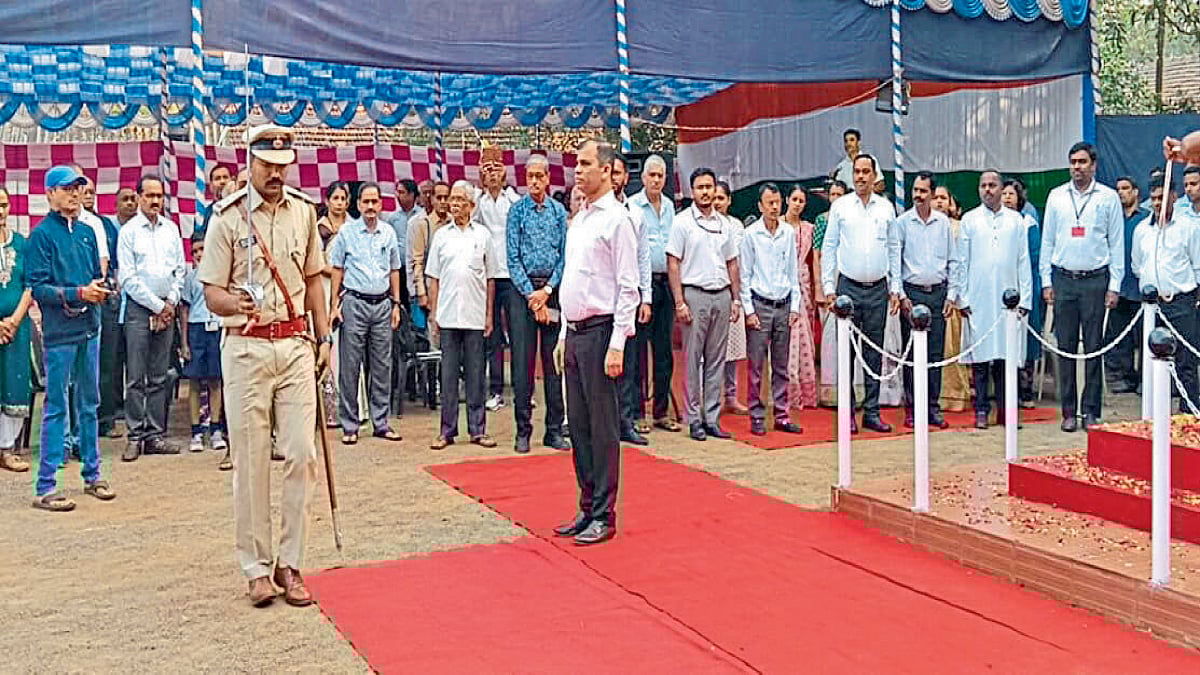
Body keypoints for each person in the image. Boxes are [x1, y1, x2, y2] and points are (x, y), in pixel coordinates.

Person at [199, 125, 331, 607]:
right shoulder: (227, 218)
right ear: (249, 163)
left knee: (302, 454)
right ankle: (255, 568)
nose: (276, 173)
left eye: (283, 165)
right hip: (246, 347)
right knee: (252, 461)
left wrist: (325, 336)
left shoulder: (304, 212)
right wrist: (232, 302)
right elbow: (210, 289)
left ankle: (290, 563)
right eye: (268, 165)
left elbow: (315, 278)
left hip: (295, 344)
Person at [550, 138, 639, 546]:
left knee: (603, 428)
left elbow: (627, 287)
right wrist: (564, 334)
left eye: (585, 163)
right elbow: (574, 280)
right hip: (575, 331)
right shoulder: (580, 218)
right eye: (576, 163)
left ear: (606, 169)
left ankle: (605, 511)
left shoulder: (617, 219)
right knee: (580, 426)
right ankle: (586, 507)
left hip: (603, 331)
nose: (577, 170)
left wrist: (618, 342)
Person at [28, 166, 116, 510]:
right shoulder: (41, 236)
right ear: (50, 193)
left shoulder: (87, 232)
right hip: (60, 334)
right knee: (56, 407)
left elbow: (96, 274)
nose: (74, 194)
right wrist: (80, 292)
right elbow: (38, 288)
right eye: (66, 188)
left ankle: (92, 475)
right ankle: (46, 486)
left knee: (90, 404)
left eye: (78, 188)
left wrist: (98, 289)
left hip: (89, 328)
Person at [1040, 142, 1124, 432]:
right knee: (1065, 347)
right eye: (1073, 162)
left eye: (1082, 162)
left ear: (1094, 165)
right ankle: (1067, 411)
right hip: (1063, 280)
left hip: (1095, 281)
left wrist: (1114, 285)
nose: (1077, 167)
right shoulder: (1057, 197)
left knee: (1093, 347)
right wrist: (1046, 281)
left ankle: (1090, 411)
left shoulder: (1108, 198)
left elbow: (1116, 244)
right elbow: (1047, 241)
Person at [821, 154, 900, 433]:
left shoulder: (886, 208)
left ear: (875, 175)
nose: (861, 176)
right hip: (848, 289)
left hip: (878, 289)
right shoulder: (841, 207)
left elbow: (894, 248)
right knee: (847, 353)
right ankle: (847, 413)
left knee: (873, 353)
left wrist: (896, 288)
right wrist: (829, 288)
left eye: (866, 171)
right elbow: (829, 247)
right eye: (857, 171)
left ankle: (872, 411)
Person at [667, 168, 742, 441]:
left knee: (716, 360)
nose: (706, 192)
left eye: (709, 187)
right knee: (692, 359)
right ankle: (693, 417)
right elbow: (673, 262)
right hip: (694, 295)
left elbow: (732, 263)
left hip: (721, 295)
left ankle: (712, 417)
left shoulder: (726, 224)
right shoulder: (682, 222)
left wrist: (736, 299)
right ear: (692, 191)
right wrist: (679, 301)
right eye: (700, 187)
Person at [955, 171, 1032, 429]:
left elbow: (1023, 261)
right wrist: (962, 297)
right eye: (983, 186)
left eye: (992, 185)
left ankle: (1006, 411)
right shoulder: (970, 220)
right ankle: (981, 411)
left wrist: (1025, 300)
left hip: (1009, 300)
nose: (988, 190)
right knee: (980, 357)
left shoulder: (1016, 220)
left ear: (1002, 189)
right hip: (978, 299)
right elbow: (961, 261)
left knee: (1005, 357)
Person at [328, 182, 404, 445]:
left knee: (383, 365)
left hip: (383, 304)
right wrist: (333, 306)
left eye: (375, 202)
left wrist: (396, 304)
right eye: (366, 202)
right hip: (354, 303)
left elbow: (395, 269)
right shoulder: (346, 233)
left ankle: (381, 423)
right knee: (350, 365)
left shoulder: (389, 233)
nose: (371, 207)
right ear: (358, 204)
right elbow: (336, 269)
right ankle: (350, 425)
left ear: (381, 204)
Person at [117, 175, 186, 461]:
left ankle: (155, 435)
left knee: (160, 375)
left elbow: (180, 270)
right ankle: (134, 436)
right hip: (138, 310)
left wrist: (170, 302)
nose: (155, 201)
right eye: (150, 196)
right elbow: (128, 278)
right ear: (140, 197)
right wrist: (158, 305)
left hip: (166, 310)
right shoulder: (129, 232)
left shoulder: (171, 230)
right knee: (135, 376)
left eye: (159, 196)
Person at [428, 181, 498, 450]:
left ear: (471, 205)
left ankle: (478, 430)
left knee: (476, 374)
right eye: (452, 199)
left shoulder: (483, 235)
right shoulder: (442, 236)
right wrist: (434, 314)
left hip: (475, 315)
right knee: (447, 377)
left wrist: (489, 315)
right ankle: (447, 431)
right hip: (448, 316)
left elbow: (491, 277)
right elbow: (433, 277)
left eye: (459, 199)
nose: (454, 203)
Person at [506, 155, 570, 454]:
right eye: (529, 176)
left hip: (552, 291)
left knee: (553, 362)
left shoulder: (559, 212)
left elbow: (564, 257)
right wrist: (533, 297)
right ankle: (523, 429)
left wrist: (547, 291)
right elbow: (512, 257)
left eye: (539, 176)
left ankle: (554, 429)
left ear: (547, 178)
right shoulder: (517, 212)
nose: (534, 181)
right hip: (523, 295)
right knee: (522, 363)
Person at [1131, 170, 1200, 409]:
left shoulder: (1188, 228)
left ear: (1173, 196)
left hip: (1181, 303)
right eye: (1154, 198)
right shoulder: (1142, 230)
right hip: (1151, 307)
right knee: (1151, 364)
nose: (1158, 203)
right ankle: (1152, 416)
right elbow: (1137, 266)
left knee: (1186, 363)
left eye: (1163, 197)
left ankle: (1189, 417)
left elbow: (1197, 266)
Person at [739, 184, 804, 436]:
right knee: (756, 364)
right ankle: (757, 414)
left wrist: (795, 305)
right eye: (769, 203)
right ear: (760, 206)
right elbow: (745, 275)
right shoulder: (751, 234)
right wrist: (748, 310)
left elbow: (792, 272)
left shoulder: (788, 232)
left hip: (783, 303)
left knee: (781, 364)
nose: (774, 207)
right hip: (760, 303)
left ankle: (782, 414)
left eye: (777, 202)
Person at [896, 171, 954, 429]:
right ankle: (912, 409)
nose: (918, 195)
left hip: (938, 294)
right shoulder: (903, 223)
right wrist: (901, 294)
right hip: (912, 294)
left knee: (934, 355)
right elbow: (894, 262)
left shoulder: (943, 223)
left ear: (932, 194)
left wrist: (952, 295)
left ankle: (932, 407)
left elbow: (955, 261)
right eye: (915, 190)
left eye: (923, 191)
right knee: (911, 356)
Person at [628, 154, 681, 432]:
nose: (657, 180)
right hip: (641, 286)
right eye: (652, 175)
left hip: (666, 283)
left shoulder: (671, 206)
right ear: (644, 177)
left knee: (664, 351)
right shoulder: (632, 206)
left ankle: (661, 412)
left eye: (661, 176)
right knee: (638, 353)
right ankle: (638, 412)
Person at [475, 147, 520, 412]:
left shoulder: (512, 200)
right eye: (487, 169)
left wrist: (504, 181)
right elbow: (473, 220)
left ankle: (521, 388)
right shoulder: (479, 202)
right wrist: (482, 187)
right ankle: (495, 390)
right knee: (491, 337)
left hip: (512, 275)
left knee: (517, 335)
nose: (492, 174)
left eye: (496, 168)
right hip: (489, 276)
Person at [612, 155, 653, 445]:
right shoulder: (592, 212)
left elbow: (643, 259)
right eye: (609, 172)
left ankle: (627, 422)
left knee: (629, 363)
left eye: (618, 173)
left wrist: (645, 298)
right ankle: (604, 425)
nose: (614, 178)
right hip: (600, 301)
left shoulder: (635, 213)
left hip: (628, 299)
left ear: (626, 177)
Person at [179, 235, 229, 467]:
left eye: (203, 250)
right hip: (198, 328)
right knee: (195, 381)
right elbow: (185, 311)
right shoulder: (191, 278)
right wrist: (185, 342)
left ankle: (216, 428)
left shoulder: (220, 274)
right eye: (196, 251)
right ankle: (196, 430)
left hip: (216, 326)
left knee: (216, 380)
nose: (200, 254)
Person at [1102, 176, 1148, 395]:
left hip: (1141, 287)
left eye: (1126, 188)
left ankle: (1144, 378)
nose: (1121, 193)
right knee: (1120, 336)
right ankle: (1124, 377)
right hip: (1119, 285)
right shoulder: (1113, 219)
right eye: (1118, 189)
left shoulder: (1147, 219)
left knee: (1144, 335)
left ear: (1136, 192)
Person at [408, 181, 452, 408]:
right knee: (432, 342)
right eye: (439, 197)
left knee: (450, 345)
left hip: (452, 293)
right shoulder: (422, 225)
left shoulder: (455, 224)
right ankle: (432, 391)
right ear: (431, 199)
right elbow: (417, 261)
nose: (443, 202)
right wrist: (421, 293)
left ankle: (448, 387)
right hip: (429, 293)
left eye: (447, 197)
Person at [1001, 179, 1045, 408]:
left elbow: (1034, 257)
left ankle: (1025, 390)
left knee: (1026, 341)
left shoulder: (1027, 222)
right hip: (1002, 287)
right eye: (1004, 193)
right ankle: (1005, 390)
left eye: (1011, 194)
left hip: (1026, 287)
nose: (1007, 197)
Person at [0, 187, 33, 473]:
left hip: (16, 327)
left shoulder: (21, 244)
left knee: (14, 381)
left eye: (4, 205)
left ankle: (7, 449)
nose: (0, 212)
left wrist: (13, 320)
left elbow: (29, 285)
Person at [932, 186, 971, 412]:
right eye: (935, 198)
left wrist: (957, 293)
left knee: (952, 347)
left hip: (954, 296)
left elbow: (962, 263)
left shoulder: (958, 228)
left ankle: (955, 395)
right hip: (931, 292)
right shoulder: (926, 227)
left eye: (943, 198)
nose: (938, 202)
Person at [317, 182, 350, 427]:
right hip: (326, 287)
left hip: (350, 290)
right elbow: (316, 262)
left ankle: (350, 408)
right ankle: (328, 410)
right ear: (327, 201)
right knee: (328, 344)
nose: (339, 202)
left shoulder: (354, 227)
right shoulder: (319, 229)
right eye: (335, 198)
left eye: (343, 198)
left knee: (348, 347)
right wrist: (336, 272)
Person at [714, 181, 749, 416]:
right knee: (710, 351)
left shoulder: (737, 226)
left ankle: (731, 396)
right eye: (714, 197)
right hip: (711, 291)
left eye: (721, 198)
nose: (717, 202)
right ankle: (710, 398)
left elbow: (742, 262)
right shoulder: (702, 223)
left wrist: (740, 297)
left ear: (729, 200)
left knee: (732, 351)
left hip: (733, 292)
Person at [782, 185, 818, 412]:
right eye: (794, 199)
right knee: (787, 340)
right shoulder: (779, 226)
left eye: (801, 201)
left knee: (805, 339)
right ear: (786, 200)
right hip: (783, 285)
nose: (797, 204)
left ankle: (806, 395)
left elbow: (814, 261)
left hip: (803, 284)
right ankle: (788, 393)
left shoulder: (809, 229)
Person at [814, 180, 847, 407]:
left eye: (839, 194)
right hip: (828, 277)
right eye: (832, 194)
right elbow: (817, 255)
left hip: (846, 275)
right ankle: (830, 391)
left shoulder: (849, 218)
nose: (835, 197)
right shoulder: (822, 220)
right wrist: (820, 286)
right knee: (829, 335)